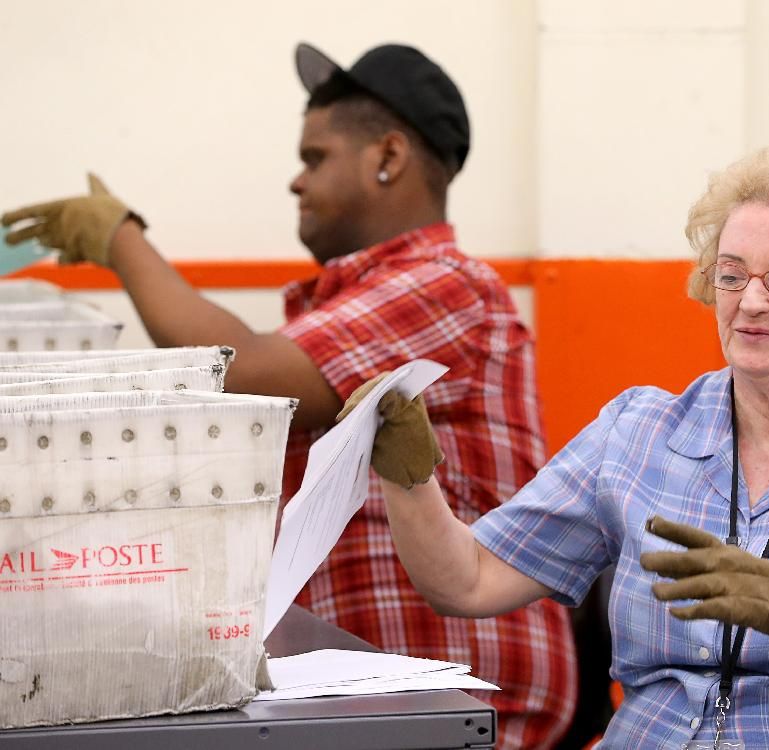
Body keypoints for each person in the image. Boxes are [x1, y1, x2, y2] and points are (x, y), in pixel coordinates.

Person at [1, 41, 576, 749]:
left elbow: (239, 373)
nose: (295, 184)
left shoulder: (445, 284)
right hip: (368, 697)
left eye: (314, 158)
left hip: (459, 703)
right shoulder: (358, 305)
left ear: (387, 157)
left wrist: (122, 241)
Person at [340, 147, 769, 748]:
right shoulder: (639, 430)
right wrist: (410, 476)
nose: (751, 303)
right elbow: (467, 580)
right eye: (732, 276)